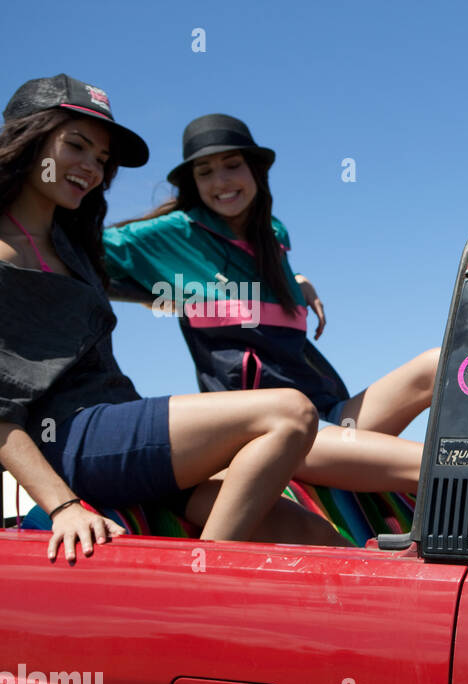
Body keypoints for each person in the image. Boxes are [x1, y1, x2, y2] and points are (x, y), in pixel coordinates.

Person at [0, 74, 342, 561]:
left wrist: (289, 281)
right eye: (76, 146)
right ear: (28, 139)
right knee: (289, 413)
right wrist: (64, 507)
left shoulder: (72, 246)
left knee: (314, 536)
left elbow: (144, 288)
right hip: (73, 439)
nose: (91, 168)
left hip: (115, 426)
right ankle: (202, 582)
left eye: (101, 159)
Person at [101, 113, 438, 495]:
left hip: (329, 415)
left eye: (232, 166)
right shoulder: (177, 234)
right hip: (272, 432)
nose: (222, 182)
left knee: (442, 364)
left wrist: (296, 281)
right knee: (440, 465)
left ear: (256, 172)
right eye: (205, 172)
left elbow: (254, 287)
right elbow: (82, 248)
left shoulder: (273, 236)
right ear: (193, 183)